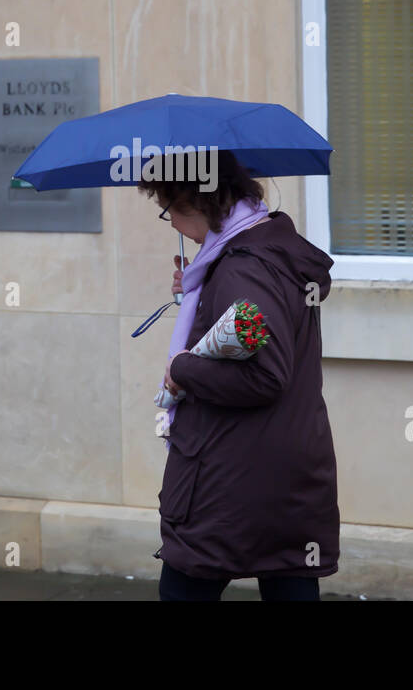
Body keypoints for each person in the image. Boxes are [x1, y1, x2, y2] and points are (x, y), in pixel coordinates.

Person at [138, 150, 339, 600]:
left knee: (184, 591)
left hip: (229, 478)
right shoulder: (265, 248)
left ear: (194, 200)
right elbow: (248, 334)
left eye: (166, 209)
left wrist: (182, 368)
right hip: (285, 471)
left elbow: (265, 376)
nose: (169, 222)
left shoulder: (242, 266)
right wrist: (201, 293)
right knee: (288, 581)